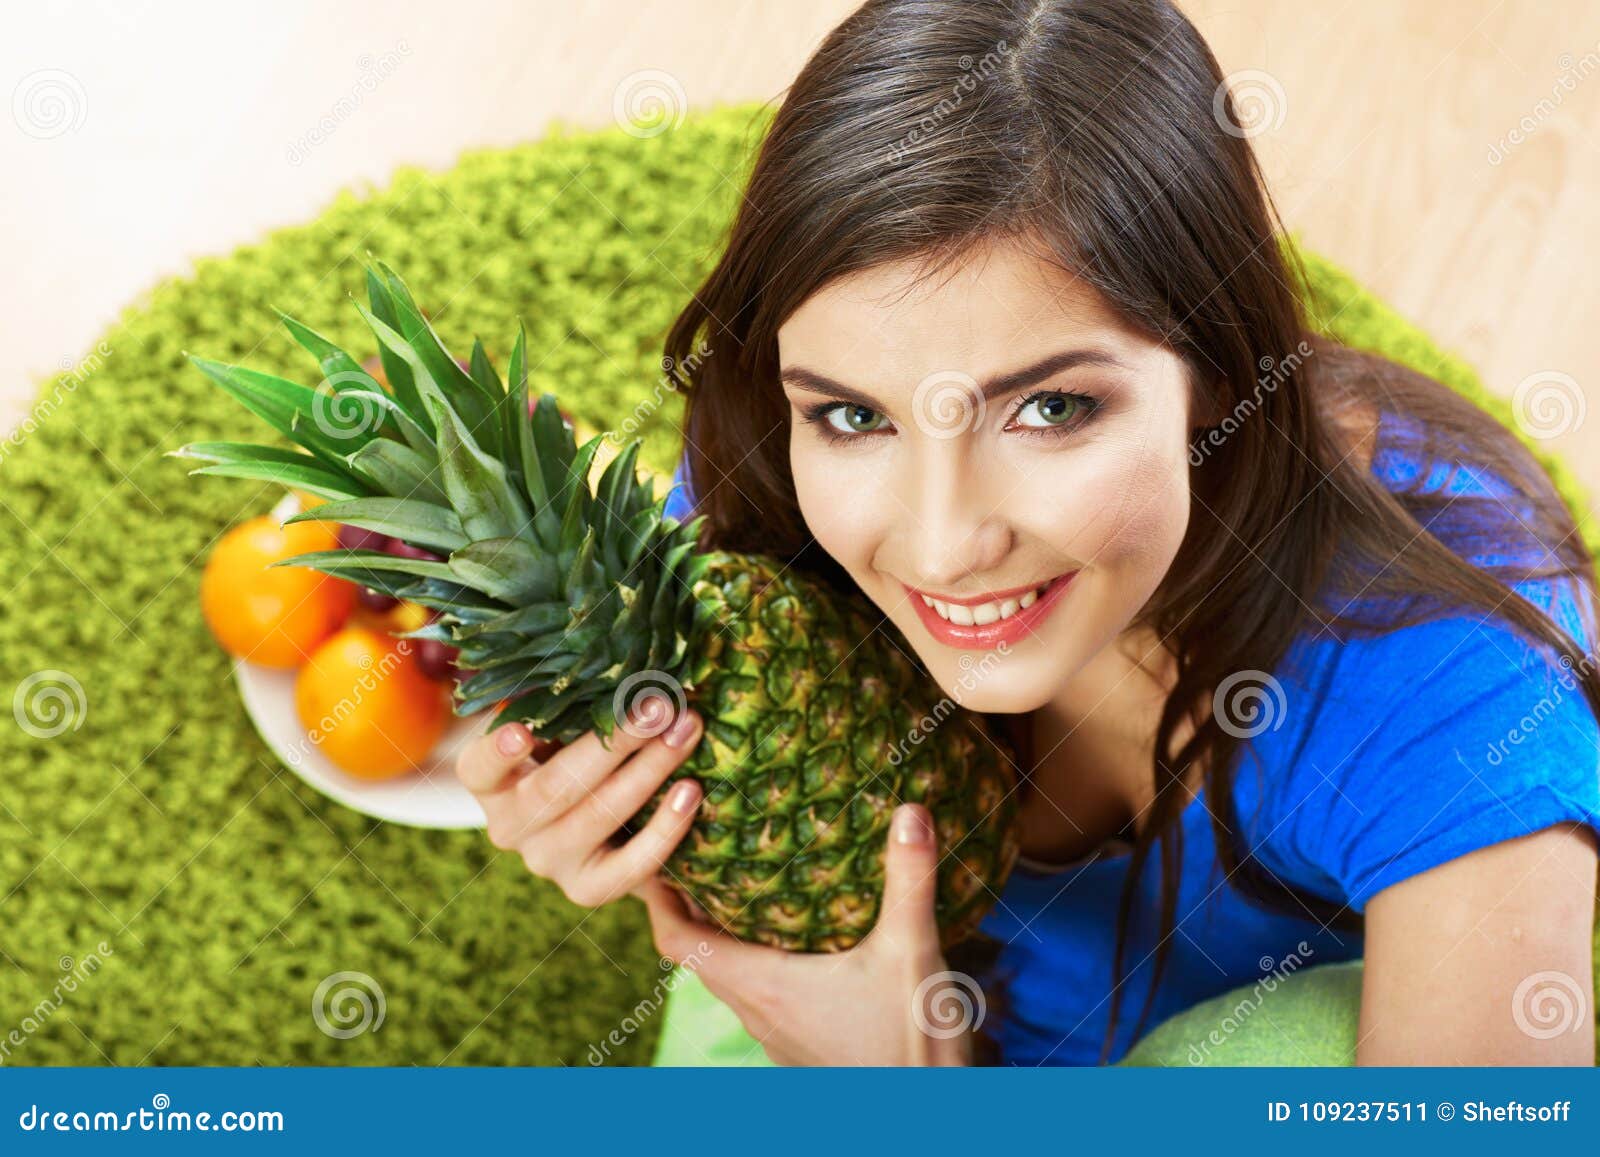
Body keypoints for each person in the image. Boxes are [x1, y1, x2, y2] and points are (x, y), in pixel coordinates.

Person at [457, 0, 1600, 1065]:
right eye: (855, 413)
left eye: (1050, 408)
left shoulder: (1454, 686)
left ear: (1215, 370)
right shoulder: (768, 496)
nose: (945, 544)